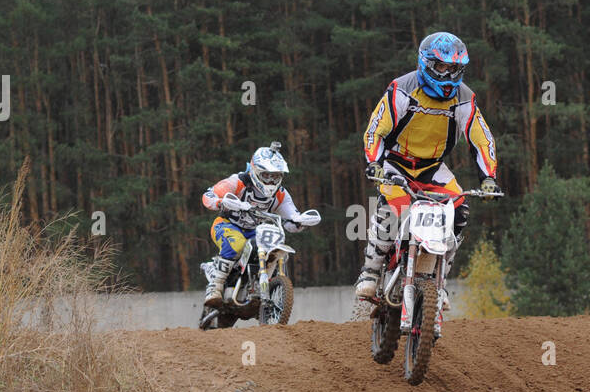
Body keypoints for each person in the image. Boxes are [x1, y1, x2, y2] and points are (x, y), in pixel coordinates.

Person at [354, 31, 500, 302]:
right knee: (395, 207)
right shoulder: (402, 89)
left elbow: (482, 139)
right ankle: (371, 271)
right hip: (395, 162)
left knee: (459, 211)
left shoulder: (464, 98)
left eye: (454, 69)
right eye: (441, 67)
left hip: (431, 168)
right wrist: (374, 162)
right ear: (427, 63)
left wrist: (488, 178)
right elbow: (376, 130)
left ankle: (439, 282)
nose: (448, 75)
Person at [201, 143, 318, 307]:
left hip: (256, 231)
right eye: (267, 175)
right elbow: (208, 196)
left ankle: (260, 285)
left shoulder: (280, 194)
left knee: (274, 247)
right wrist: (221, 202)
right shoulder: (238, 181)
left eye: (275, 176)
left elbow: (291, 220)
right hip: (227, 224)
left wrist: (300, 222)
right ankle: (215, 286)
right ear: (255, 171)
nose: (271, 180)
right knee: (236, 244)